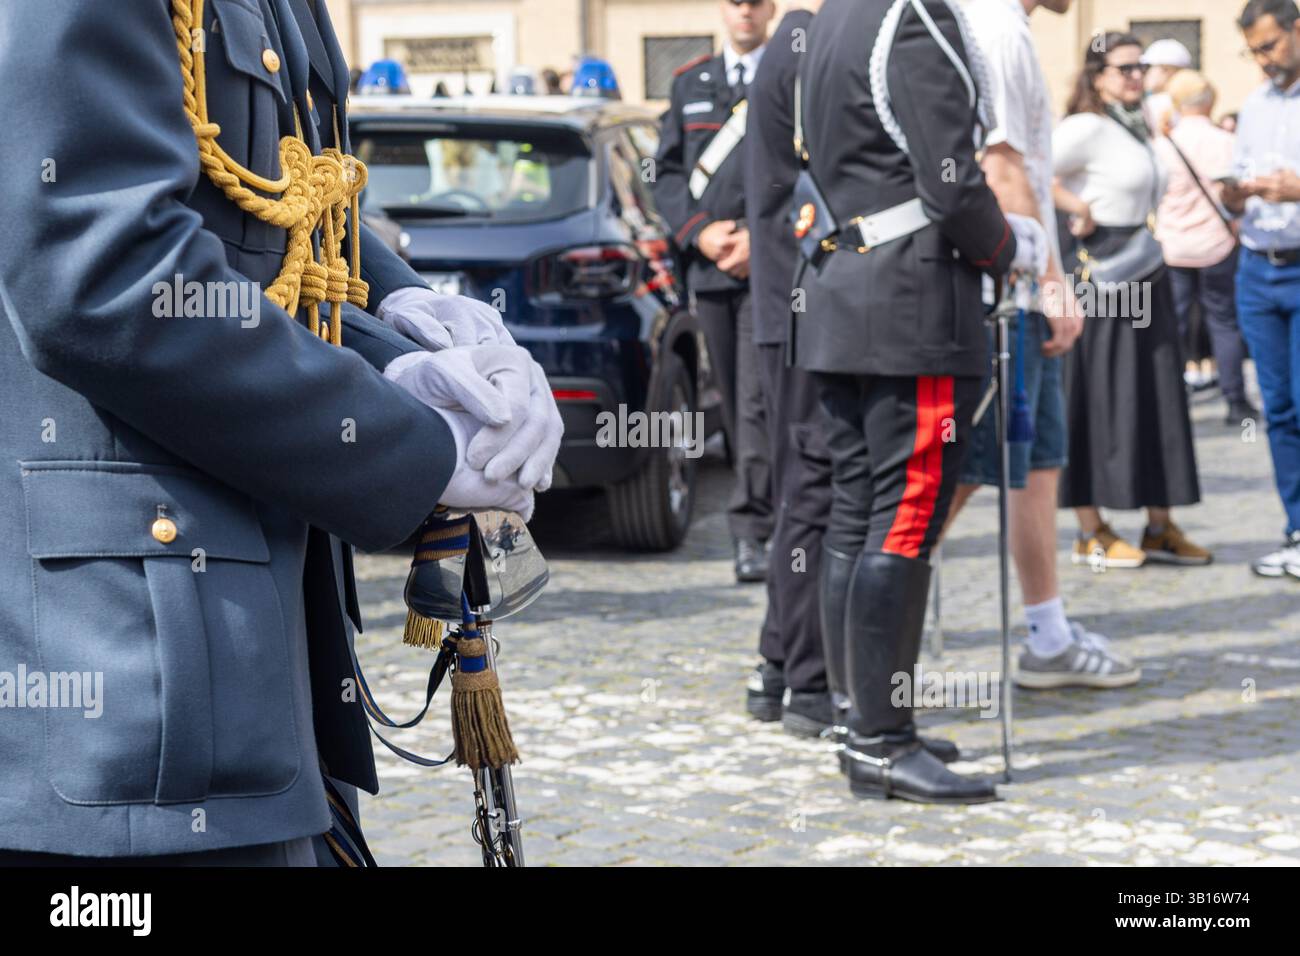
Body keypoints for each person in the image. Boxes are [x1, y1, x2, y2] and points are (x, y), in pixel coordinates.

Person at [0, 0, 560, 864]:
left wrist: (414, 321)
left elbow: (276, 206)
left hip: (256, 668)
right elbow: (102, 268)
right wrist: (412, 447)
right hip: (120, 685)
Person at [798, 0, 1036, 803]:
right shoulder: (910, 15)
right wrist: (1009, 251)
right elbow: (950, 179)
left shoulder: (831, 16)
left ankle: (859, 711)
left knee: (856, 511)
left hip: (845, 293)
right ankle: (881, 739)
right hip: (909, 306)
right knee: (901, 519)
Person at [948, 0, 1139, 691]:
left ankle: (1048, 635)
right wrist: (1052, 283)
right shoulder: (995, 27)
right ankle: (867, 646)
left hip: (1023, 290)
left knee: (1036, 466)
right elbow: (1001, 172)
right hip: (1007, 294)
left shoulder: (1010, 26)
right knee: (965, 472)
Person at [1053, 33, 1210, 570]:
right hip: (1101, 276)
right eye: (1124, 68)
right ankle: (1090, 529)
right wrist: (1075, 204)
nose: (1136, 76)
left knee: (1158, 393)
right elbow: (1021, 169)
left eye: (1141, 66)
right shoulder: (1084, 127)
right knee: (1099, 396)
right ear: (1097, 76)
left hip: (1149, 269)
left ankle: (1160, 526)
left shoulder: (1138, 124)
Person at [654, 0, 776, 584]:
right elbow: (666, 173)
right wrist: (700, 234)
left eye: (757, 1)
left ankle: (753, 532)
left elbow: (812, 169)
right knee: (730, 397)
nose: (747, 11)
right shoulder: (689, 82)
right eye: (737, 1)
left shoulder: (793, 75)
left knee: (756, 403)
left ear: (771, 8)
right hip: (711, 269)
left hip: (771, 268)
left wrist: (761, 235)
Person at [742, 0, 832, 734]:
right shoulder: (803, 39)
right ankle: (809, 681)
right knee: (814, 490)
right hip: (801, 303)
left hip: (794, 301)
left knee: (808, 485)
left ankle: (778, 665)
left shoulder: (799, 37)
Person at [1221, 0, 1300, 579]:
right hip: (1256, 267)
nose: (1262, 60)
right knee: (1277, 408)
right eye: (1253, 51)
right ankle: (1296, 530)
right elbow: (1239, 177)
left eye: (1270, 46)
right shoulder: (1253, 104)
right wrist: (1235, 192)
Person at [1154, 70, 1259, 426]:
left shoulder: (1162, 145)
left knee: (1174, 322)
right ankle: (1235, 401)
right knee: (1224, 321)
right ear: (1209, 100)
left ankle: (1171, 398)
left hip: (1173, 245)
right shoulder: (1225, 141)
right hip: (1218, 244)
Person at [1140, 38, 1193, 135]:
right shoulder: (1191, 102)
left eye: (1146, 67)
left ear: (1165, 70)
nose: (1141, 73)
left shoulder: (1156, 103)